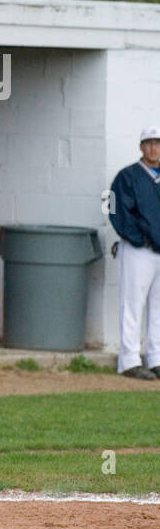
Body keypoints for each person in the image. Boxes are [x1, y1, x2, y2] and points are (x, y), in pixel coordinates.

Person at [108, 125, 160, 379]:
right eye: (149, 143)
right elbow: (113, 208)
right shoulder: (126, 176)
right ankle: (129, 361)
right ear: (141, 146)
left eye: (158, 143)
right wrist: (138, 238)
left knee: (159, 307)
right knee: (132, 304)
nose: (154, 148)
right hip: (139, 250)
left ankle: (155, 358)